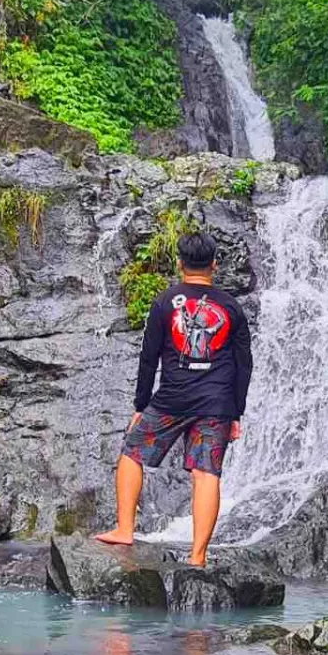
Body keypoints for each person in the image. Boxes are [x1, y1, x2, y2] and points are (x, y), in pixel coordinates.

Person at [94, 231, 253, 567]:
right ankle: (198, 555)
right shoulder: (231, 307)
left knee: (132, 452)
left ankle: (125, 529)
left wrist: (140, 406)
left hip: (172, 399)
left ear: (179, 264)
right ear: (214, 264)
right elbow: (244, 365)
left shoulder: (165, 302)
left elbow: (148, 358)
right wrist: (236, 413)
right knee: (206, 473)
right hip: (216, 404)